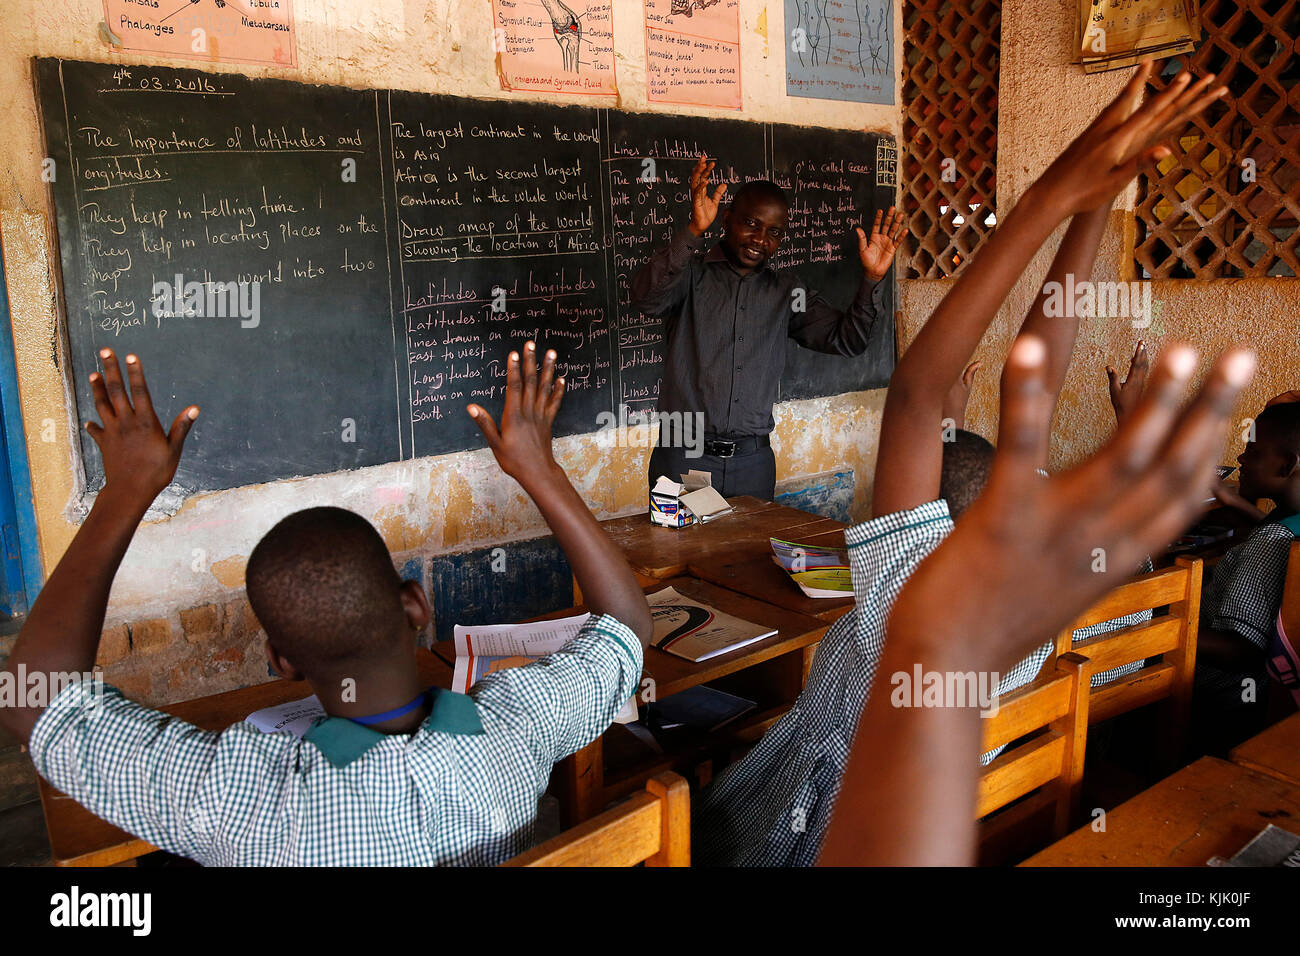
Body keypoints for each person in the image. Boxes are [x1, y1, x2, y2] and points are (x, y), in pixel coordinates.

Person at [692, 61, 1226, 866]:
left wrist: (1053, 196)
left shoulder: (910, 609)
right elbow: (1036, 379)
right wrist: (1098, 199)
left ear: (926, 528)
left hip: (791, 839)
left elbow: (914, 393)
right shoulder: (1031, 602)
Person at [1, 342, 653, 865]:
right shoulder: (517, 726)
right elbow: (626, 627)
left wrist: (126, 492)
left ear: (280, 660)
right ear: (417, 605)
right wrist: (540, 471)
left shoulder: (243, 796)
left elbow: (32, 696)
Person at [820, 335, 1257, 865]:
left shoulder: (900, 640)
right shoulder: (1072, 588)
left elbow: (918, 402)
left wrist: (948, 421)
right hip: (1042, 768)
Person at [630, 155, 906, 499]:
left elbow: (847, 340)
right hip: (685, 458)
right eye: (751, 223)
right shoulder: (690, 276)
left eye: (773, 232)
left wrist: (873, 279)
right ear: (727, 220)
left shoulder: (788, 293)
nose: (760, 238)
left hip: (752, 465)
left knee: (752, 554)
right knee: (681, 553)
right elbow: (644, 299)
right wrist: (693, 230)